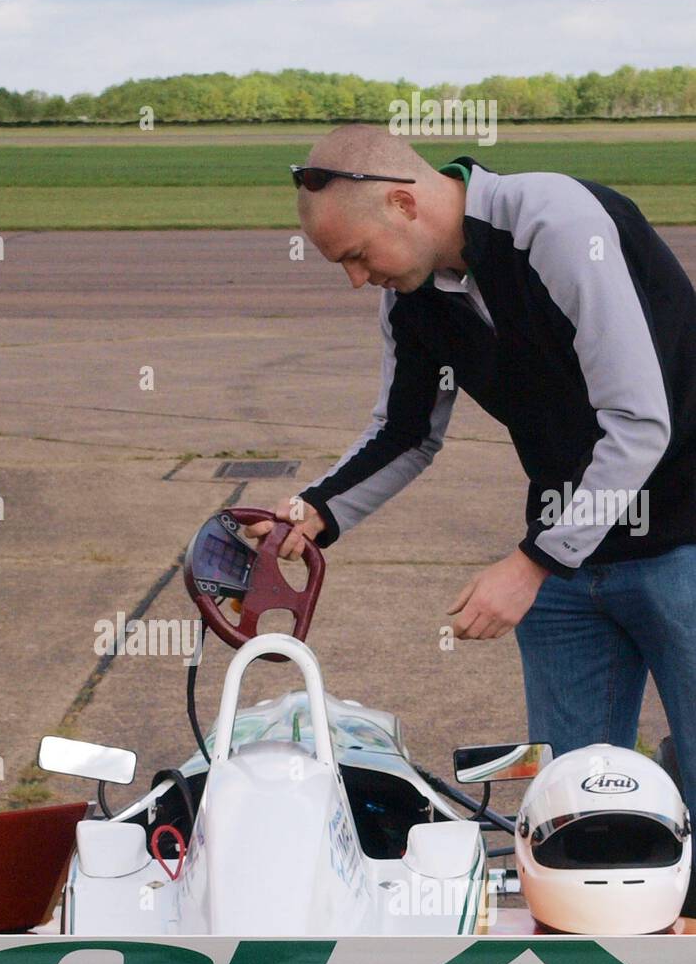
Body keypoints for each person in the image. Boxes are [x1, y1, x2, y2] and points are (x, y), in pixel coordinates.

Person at [250, 122, 696, 874]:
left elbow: (636, 421)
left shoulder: (556, 223)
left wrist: (528, 564)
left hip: (679, 540)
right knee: (573, 820)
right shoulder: (413, 297)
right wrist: (313, 513)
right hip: (566, 569)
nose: (356, 280)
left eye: (355, 257)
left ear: (402, 202)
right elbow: (404, 432)